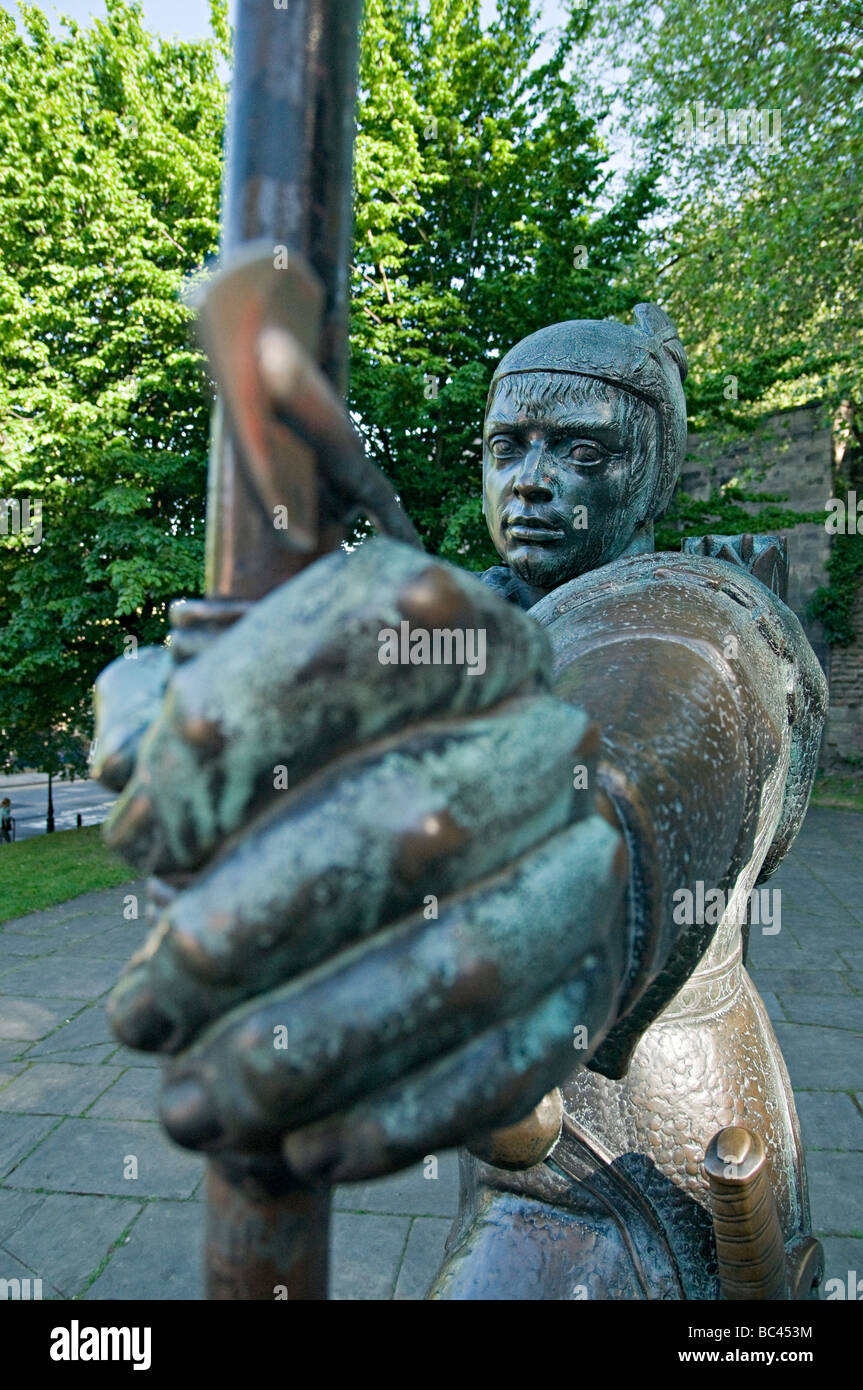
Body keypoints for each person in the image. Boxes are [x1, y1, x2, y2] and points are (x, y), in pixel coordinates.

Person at [91, 304, 826, 1299]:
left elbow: (680, 710)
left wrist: (567, 883)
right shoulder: (488, 619)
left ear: (651, 473)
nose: (531, 478)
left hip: (638, 1172)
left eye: (581, 451)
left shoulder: (694, 605)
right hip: (528, 1156)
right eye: (506, 446)